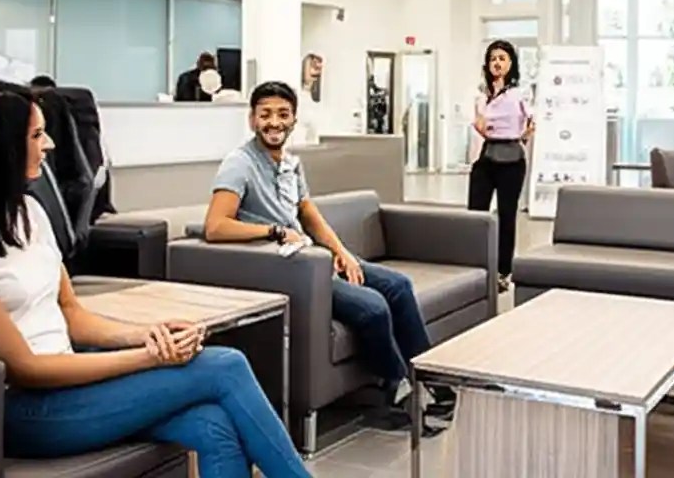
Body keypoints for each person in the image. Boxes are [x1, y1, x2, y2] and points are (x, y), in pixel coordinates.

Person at [0, 77, 308, 478]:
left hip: (65, 386)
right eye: (35, 136)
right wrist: (152, 357)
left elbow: (70, 313)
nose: (48, 145)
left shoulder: (26, 211)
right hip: (14, 408)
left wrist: (149, 335)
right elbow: (25, 368)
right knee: (225, 365)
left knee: (212, 424)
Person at [203, 81, 455, 417]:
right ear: (252, 120)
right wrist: (275, 231)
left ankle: (430, 380)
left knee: (398, 286)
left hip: (312, 257)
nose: (274, 122)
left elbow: (308, 212)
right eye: (265, 115)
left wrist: (342, 251)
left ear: (294, 120)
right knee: (373, 307)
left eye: (283, 114)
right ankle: (399, 385)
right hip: (287, 268)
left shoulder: (291, 163)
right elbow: (215, 226)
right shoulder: (239, 163)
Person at [466, 40, 534, 293]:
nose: (497, 63)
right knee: (476, 214)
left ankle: (503, 272)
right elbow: (479, 124)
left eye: (502, 58)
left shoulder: (520, 93)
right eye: (493, 58)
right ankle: (476, 268)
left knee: (507, 215)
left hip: (511, 159)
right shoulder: (481, 93)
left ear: (511, 64)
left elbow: (533, 120)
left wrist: (524, 135)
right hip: (486, 156)